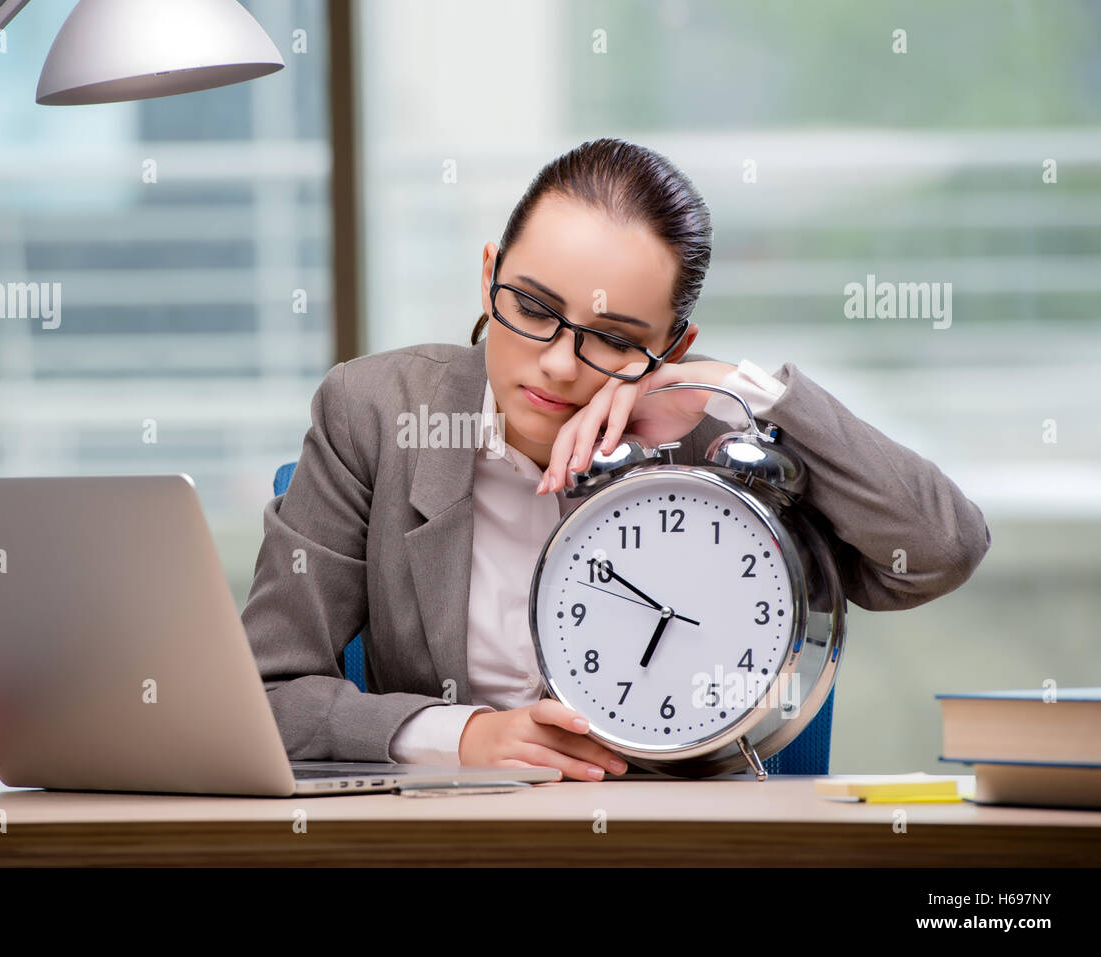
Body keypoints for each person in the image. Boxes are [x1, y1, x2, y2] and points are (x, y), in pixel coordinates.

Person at [241, 137, 991, 783]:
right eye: (532, 308)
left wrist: (738, 390)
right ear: (488, 275)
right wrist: (462, 736)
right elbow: (263, 695)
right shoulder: (377, 414)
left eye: (616, 338)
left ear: (672, 350)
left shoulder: (721, 450)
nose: (560, 365)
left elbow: (941, 548)